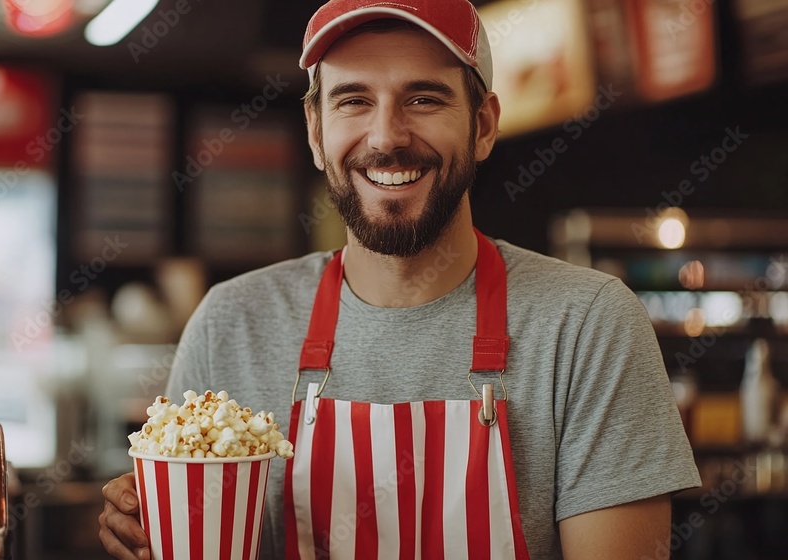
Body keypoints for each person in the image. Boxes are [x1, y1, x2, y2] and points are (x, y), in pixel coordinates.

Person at [100, 0, 701, 558]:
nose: (386, 137)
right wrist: (147, 528)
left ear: (484, 126)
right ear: (316, 131)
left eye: (424, 99)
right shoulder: (230, 324)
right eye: (353, 100)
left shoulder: (587, 326)